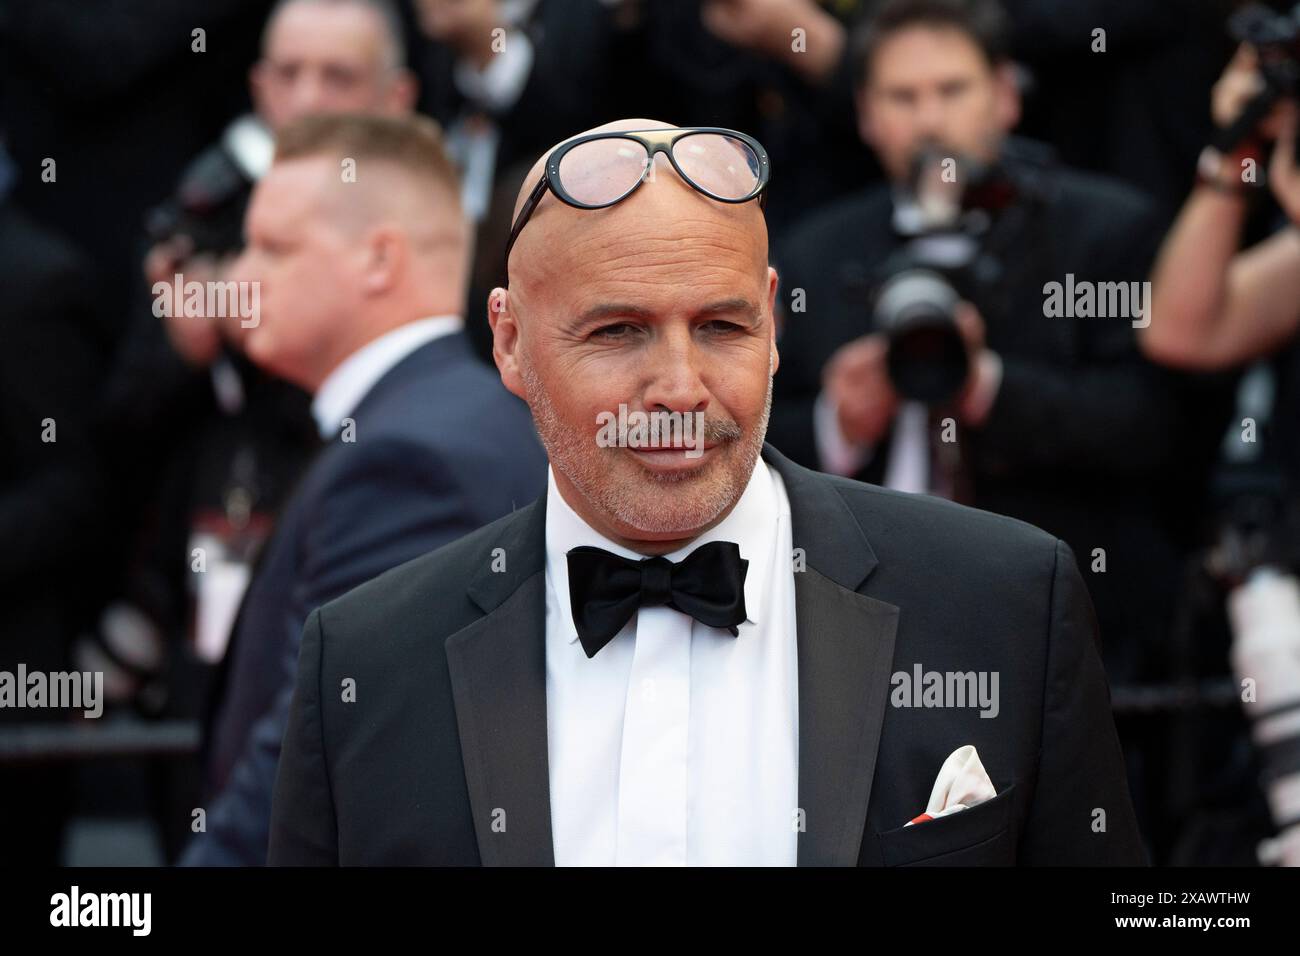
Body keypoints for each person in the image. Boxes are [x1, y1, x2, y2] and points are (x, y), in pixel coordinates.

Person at [268, 118, 1144, 866]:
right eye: (618, 332)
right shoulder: (367, 662)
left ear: (772, 323)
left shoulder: (1005, 602)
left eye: (721, 326)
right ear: (509, 342)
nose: (680, 390)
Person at [765, 0, 1231, 690]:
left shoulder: (1104, 230)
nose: (929, 119)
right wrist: (841, 423)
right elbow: (755, 438)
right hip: (856, 636)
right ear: (866, 114)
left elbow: (1157, 428)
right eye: (903, 96)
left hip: (1076, 626)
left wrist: (986, 387)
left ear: (1007, 96)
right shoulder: (813, 252)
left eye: (952, 90)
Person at [180, 112, 546, 865]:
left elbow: (318, 756)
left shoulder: (413, 459)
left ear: (380, 259)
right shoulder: (439, 420)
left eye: (273, 248)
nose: (238, 278)